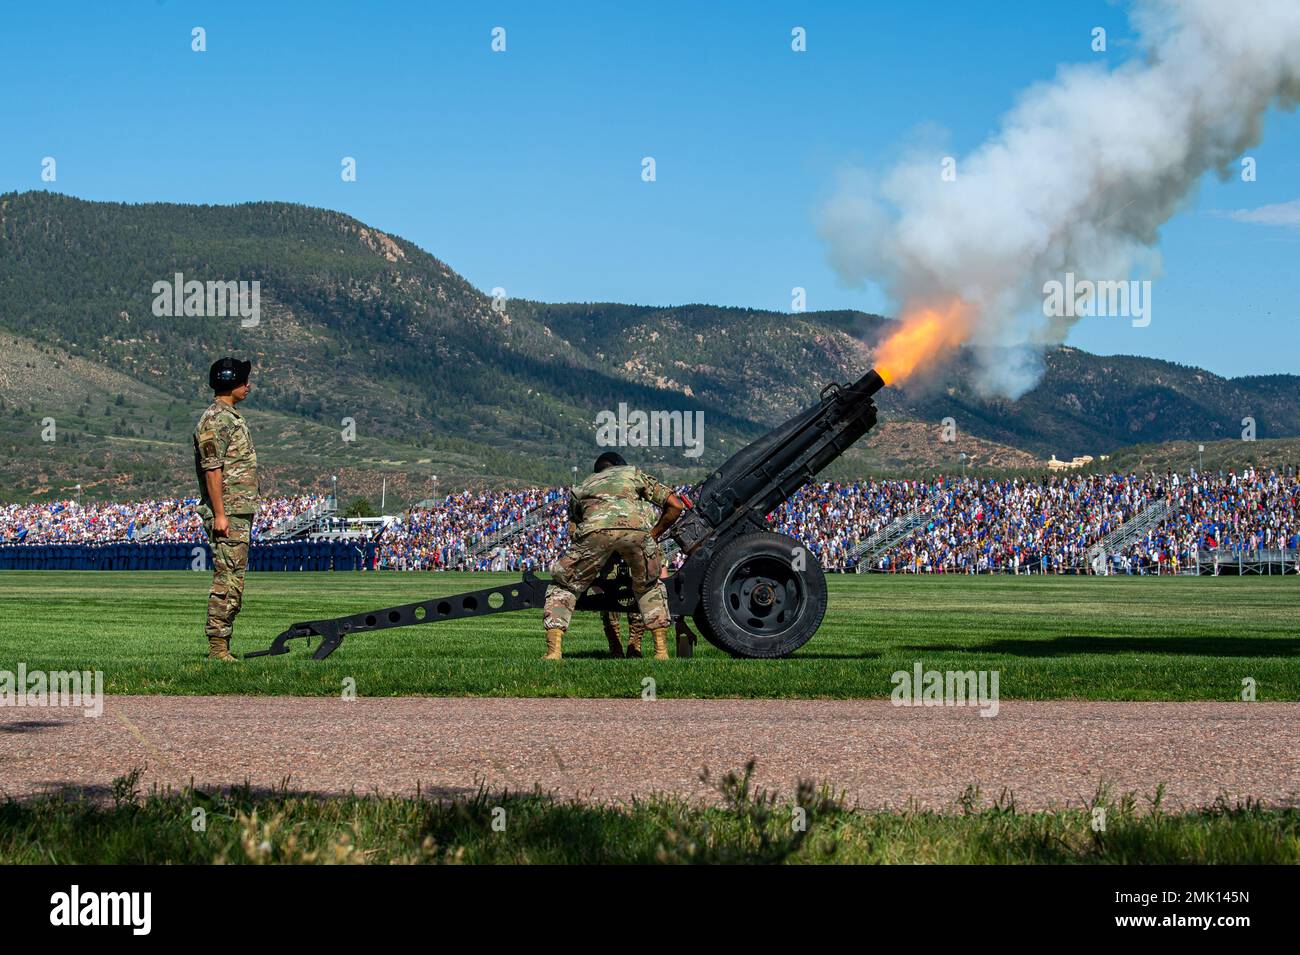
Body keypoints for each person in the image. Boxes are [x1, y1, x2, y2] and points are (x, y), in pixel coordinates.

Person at [543, 452, 685, 660]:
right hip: (636, 534)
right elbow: (676, 505)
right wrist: (653, 535)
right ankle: (660, 652)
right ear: (621, 466)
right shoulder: (633, 474)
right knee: (648, 586)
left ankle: (554, 651)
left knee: (564, 585)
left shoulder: (583, 485)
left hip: (595, 533)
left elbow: (574, 529)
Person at [193, 357, 259, 661]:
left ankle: (223, 646)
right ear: (231, 382)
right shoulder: (215, 420)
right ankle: (218, 648)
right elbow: (212, 470)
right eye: (244, 380)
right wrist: (220, 514)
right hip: (228, 513)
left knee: (236, 579)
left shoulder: (230, 417)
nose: (248, 386)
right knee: (227, 580)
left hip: (237, 510)